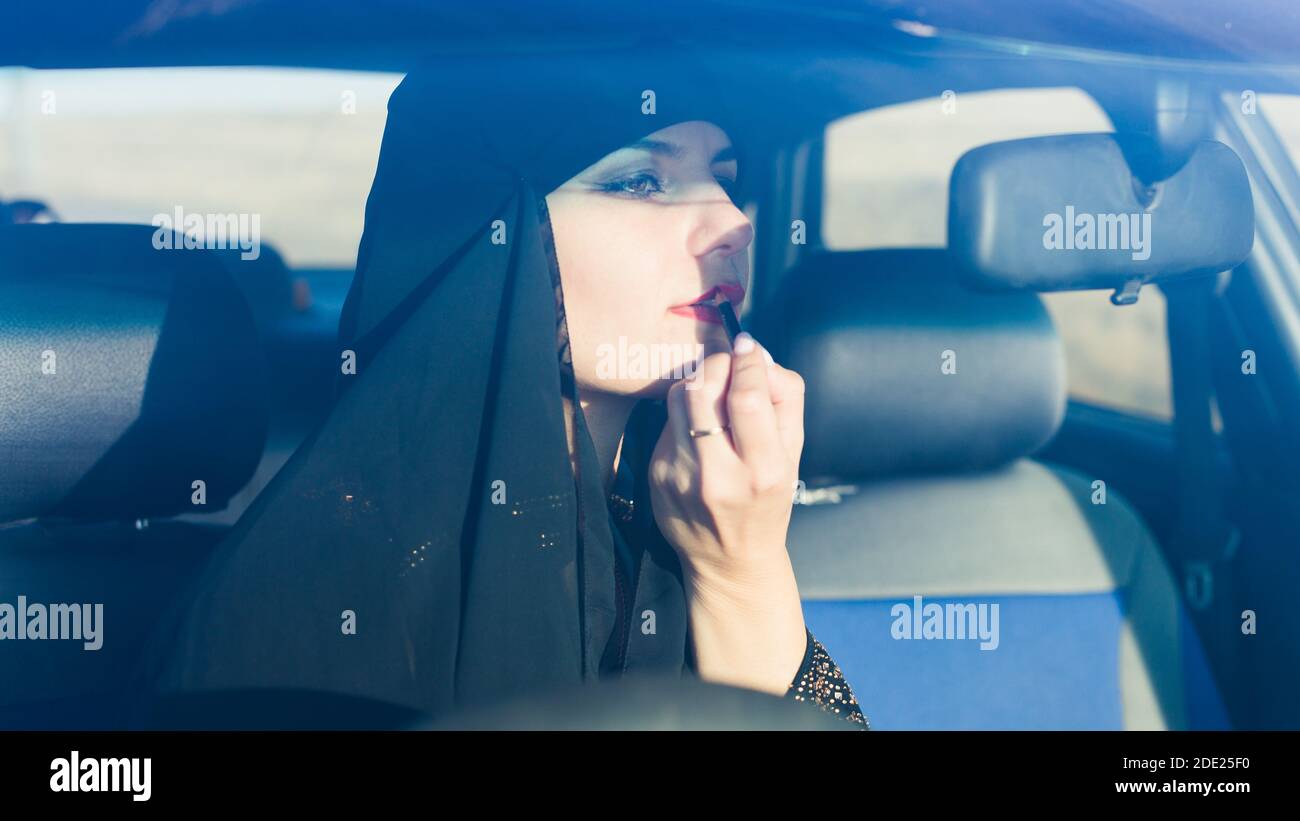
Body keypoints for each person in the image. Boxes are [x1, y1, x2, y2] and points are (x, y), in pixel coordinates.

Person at [139, 45, 867, 729]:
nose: (734, 222)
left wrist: (740, 569)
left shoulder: (693, 516)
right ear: (494, 230)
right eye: (642, 181)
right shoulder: (301, 613)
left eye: (728, 181)